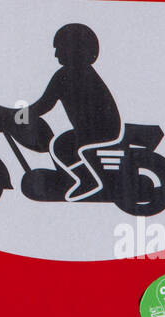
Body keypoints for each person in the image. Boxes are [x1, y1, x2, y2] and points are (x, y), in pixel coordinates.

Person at [26, 23, 122, 200]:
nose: (55, 54)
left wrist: (18, 115)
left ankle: (86, 180)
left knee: (60, 145)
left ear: (74, 49)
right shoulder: (83, 72)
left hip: (98, 131)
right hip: (101, 128)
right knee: (63, 143)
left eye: (59, 49)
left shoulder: (66, 75)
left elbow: (44, 105)